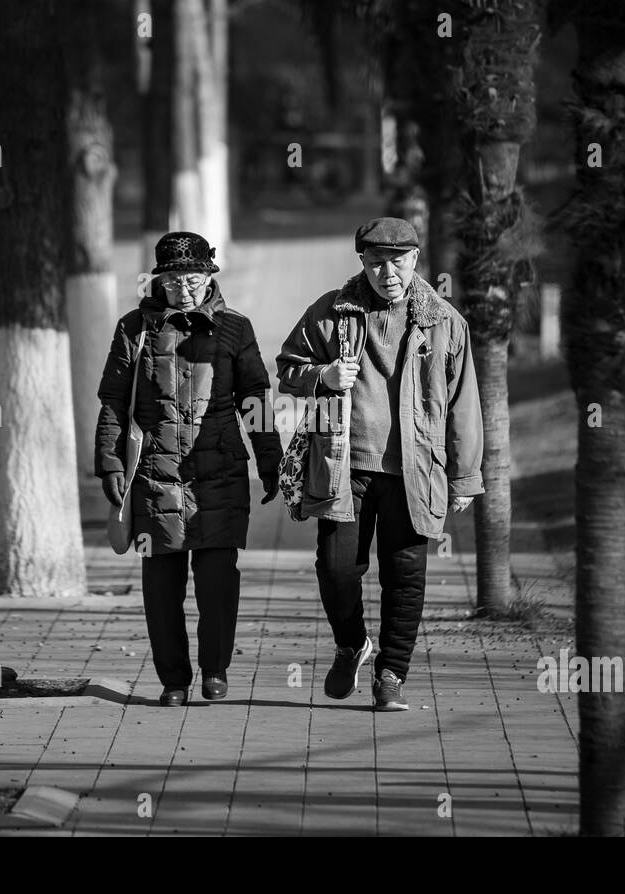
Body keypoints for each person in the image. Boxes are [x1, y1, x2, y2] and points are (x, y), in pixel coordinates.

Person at [276, 217, 484, 711]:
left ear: (415, 260)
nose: (386, 271)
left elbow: (464, 403)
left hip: (416, 471)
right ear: (363, 263)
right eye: (375, 262)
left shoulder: (444, 321)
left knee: (405, 576)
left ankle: (391, 675)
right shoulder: (330, 312)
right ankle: (352, 644)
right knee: (335, 567)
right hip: (343, 465)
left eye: (397, 261)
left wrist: (466, 475)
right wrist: (322, 375)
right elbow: (287, 369)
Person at [96, 232, 281, 707]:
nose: (184, 289)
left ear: (209, 277)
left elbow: (255, 398)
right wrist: (110, 462)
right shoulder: (133, 328)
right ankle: (173, 680)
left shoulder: (235, 328)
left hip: (218, 473)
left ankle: (215, 670)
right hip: (155, 473)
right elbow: (114, 402)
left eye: (193, 278)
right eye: (174, 279)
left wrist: (269, 457)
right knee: (162, 588)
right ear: (160, 281)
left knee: (218, 581)